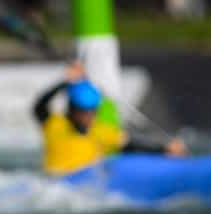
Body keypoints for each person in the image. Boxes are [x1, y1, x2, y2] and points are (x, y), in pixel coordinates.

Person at [32, 60, 187, 175]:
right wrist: (67, 82)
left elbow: (129, 146)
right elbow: (39, 105)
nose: (88, 115)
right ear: (72, 110)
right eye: (83, 111)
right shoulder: (54, 123)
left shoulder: (100, 130)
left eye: (92, 111)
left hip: (86, 185)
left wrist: (164, 149)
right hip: (57, 182)